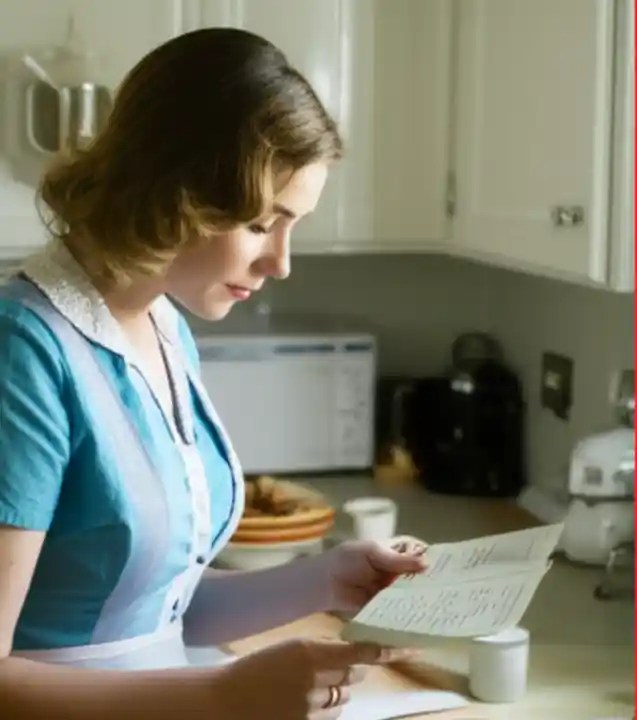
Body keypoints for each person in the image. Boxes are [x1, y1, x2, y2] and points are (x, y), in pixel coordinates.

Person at [0, 29, 427, 719]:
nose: (281, 261)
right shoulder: (23, 351)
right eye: (263, 223)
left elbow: (155, 613)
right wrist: (224, 694)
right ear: (177, 194)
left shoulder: (164, 326)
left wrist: (328, 579)